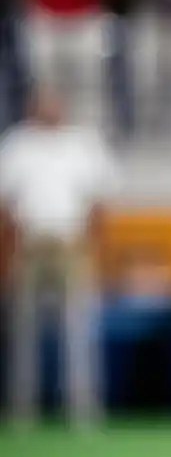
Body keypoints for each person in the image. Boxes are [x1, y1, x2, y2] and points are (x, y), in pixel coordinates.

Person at [0, 86, 117, 428]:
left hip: (70, 244)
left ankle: (83, 408)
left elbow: (99, 204)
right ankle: (22, 409)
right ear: (33, 105)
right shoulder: (18, 144)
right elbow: (6, 208)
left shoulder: (82, 145)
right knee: (23, 333)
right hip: (31, 245)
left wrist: (95, 251)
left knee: (79, 332)